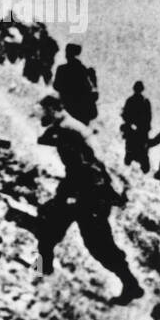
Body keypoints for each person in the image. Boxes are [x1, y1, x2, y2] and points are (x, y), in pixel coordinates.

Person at [35, 95, 142, 303]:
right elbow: (45, 139)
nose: (41, 114)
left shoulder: (68, 130)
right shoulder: (67, 126)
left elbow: (87, 165)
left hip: (87, 193)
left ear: (54, 109)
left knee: (99, 245)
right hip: (81, 189)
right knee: (48, 229)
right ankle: (41, 270)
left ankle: (131, 285)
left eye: (44, 110)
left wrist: (74, 195)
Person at [52, 43, 99, 123]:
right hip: (85, 107)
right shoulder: (83, 69)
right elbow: (93, 89)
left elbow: (56, 86)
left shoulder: (62, 69)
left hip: (69, 106)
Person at [120, 81, 152, 172]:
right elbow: (148, 118)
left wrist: (132, 124)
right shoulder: (145, 101)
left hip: (134, 131)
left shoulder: (130, 100)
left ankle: (132, 165)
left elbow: (125, 115)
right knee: (140, 151)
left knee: (131, 149)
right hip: (140, 131)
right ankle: (142, 169)